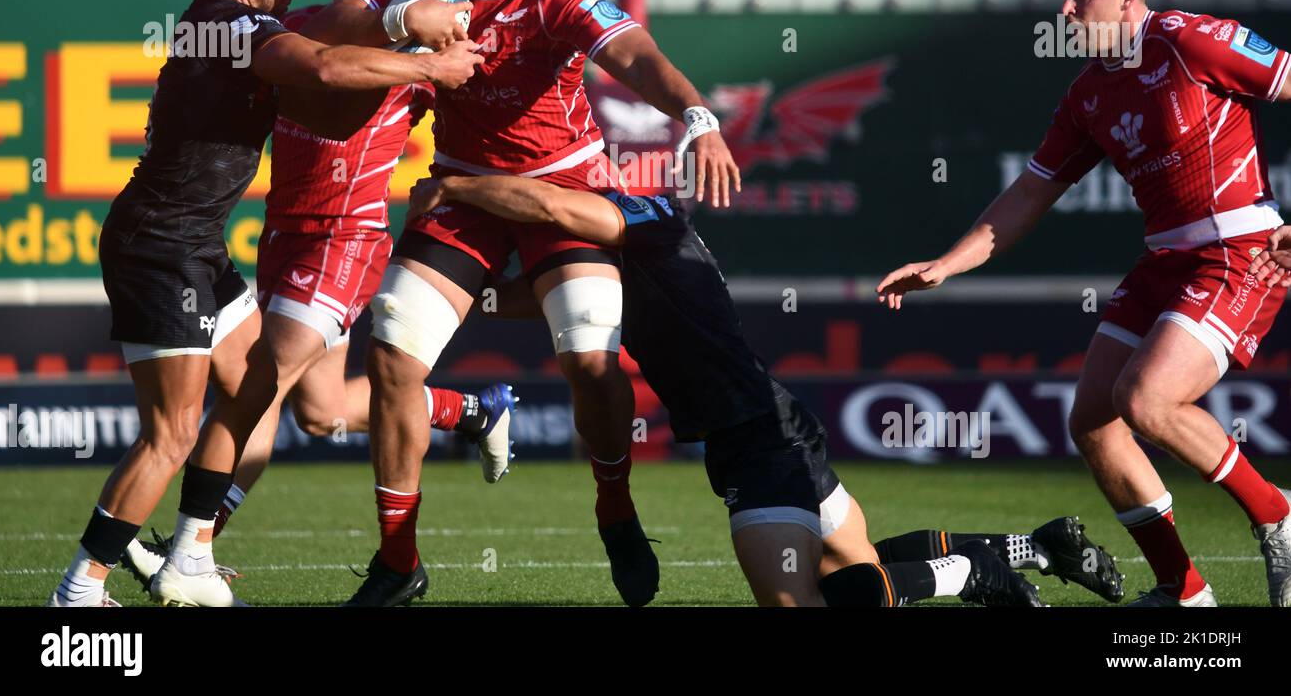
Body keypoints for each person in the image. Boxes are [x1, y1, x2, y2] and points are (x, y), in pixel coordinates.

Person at [299, 0, 741, 607]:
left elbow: (634, 56)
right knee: (393, 348)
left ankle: (614, 506)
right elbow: (335, 24)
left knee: (590, 353)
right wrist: (400, 20)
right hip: (463, 188)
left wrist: (697, 115)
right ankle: (398, 560)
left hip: (563, 191)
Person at [403, 175, 1128, 607]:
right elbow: (531, 294)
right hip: (766, 421)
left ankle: (975, 572)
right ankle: (1037, 547)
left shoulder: (651, 221)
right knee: (859, 566)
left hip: (760, 437)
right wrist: (456, 293)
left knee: (804, 601)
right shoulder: (624, 265)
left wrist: (457, 186)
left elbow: (556, 209)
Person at [47, 0, 484, 608]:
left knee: (255, 387)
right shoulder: (231, 26)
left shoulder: (230, 29)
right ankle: (80, 590)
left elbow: (330, 102)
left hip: (194, 247)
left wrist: (404, 68)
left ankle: (189, 557)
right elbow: (321, 65)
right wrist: (417, 48)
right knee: (171, 434)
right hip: (160, 250)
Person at [877, 0, 1291, 607]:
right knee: (1094, 421)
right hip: (1167, 258)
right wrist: (946, 265)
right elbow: (1029, 195)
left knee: (1147, 400)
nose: (1065, 13)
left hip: (1240, 253)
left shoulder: (1191, 42)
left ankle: (1276, 516)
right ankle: (1183, 592)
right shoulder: (1087, 95)